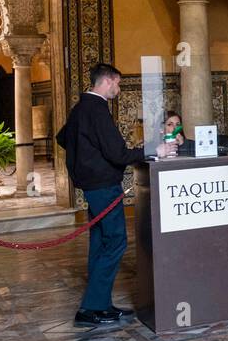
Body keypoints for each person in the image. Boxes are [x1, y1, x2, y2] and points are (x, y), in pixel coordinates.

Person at [56, 62, 176, 327]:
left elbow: (62, 138)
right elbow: (118, 154)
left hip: (92, 184)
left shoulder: (80, 108)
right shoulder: (97, 109)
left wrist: (86, 156)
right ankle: (90, 308)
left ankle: (100, 305)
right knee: (117, 241)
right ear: (107, 81)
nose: (119, 89)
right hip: (103, 186)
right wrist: (156, 150)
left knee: (100, 241)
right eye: (118, 83)